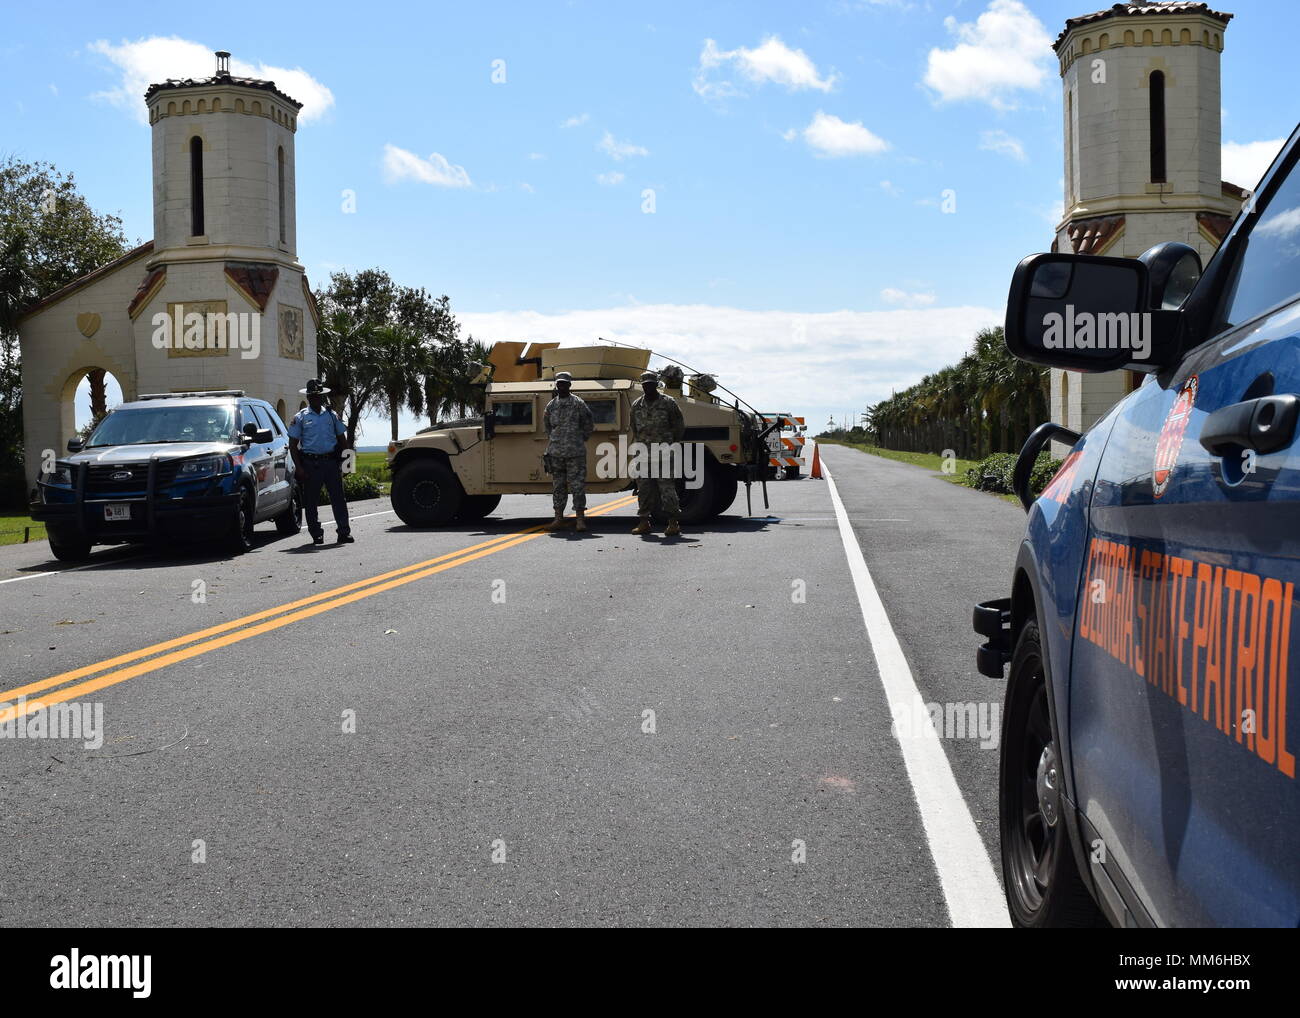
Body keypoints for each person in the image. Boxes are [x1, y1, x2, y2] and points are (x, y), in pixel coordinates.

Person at [288, 379, 352, 546]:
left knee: (338, 498)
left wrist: (348, 463)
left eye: (319, 396)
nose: (316, 398)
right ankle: (316, 534)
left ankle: (344, 532)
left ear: (323, 397)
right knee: (311, 501)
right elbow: (293, 445)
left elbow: (342, 440)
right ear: (308, 397)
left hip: (331, 462)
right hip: (311, 464)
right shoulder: (300, 417)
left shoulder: (332, 415)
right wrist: (299, 467)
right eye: (313, 396)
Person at [629, 370, 685, 537]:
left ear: (656, 385)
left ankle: (673, 523)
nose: (648, 388)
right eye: (645, 385)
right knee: (644, 489)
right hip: (644, 453)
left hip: (664, 453)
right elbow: (634, 427)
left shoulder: (668, 403)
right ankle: (644, 522)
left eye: (651, 385)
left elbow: (679, 426)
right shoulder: (636, 405)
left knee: (667, 489)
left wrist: (668, 443)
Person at [542, 370, 595, 532]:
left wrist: (578, 440)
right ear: (556, 385)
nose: (561, 386)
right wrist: (555, 442)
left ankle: (580, 519)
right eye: (559, 383)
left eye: (564, 383)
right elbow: (548, 427)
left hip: (575, 454)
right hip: (556, 453)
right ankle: (558, 518)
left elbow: (588, 424)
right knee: (558, 487)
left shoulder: (578, 403)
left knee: (577, 486)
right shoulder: (551, 406)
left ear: (569, 385)